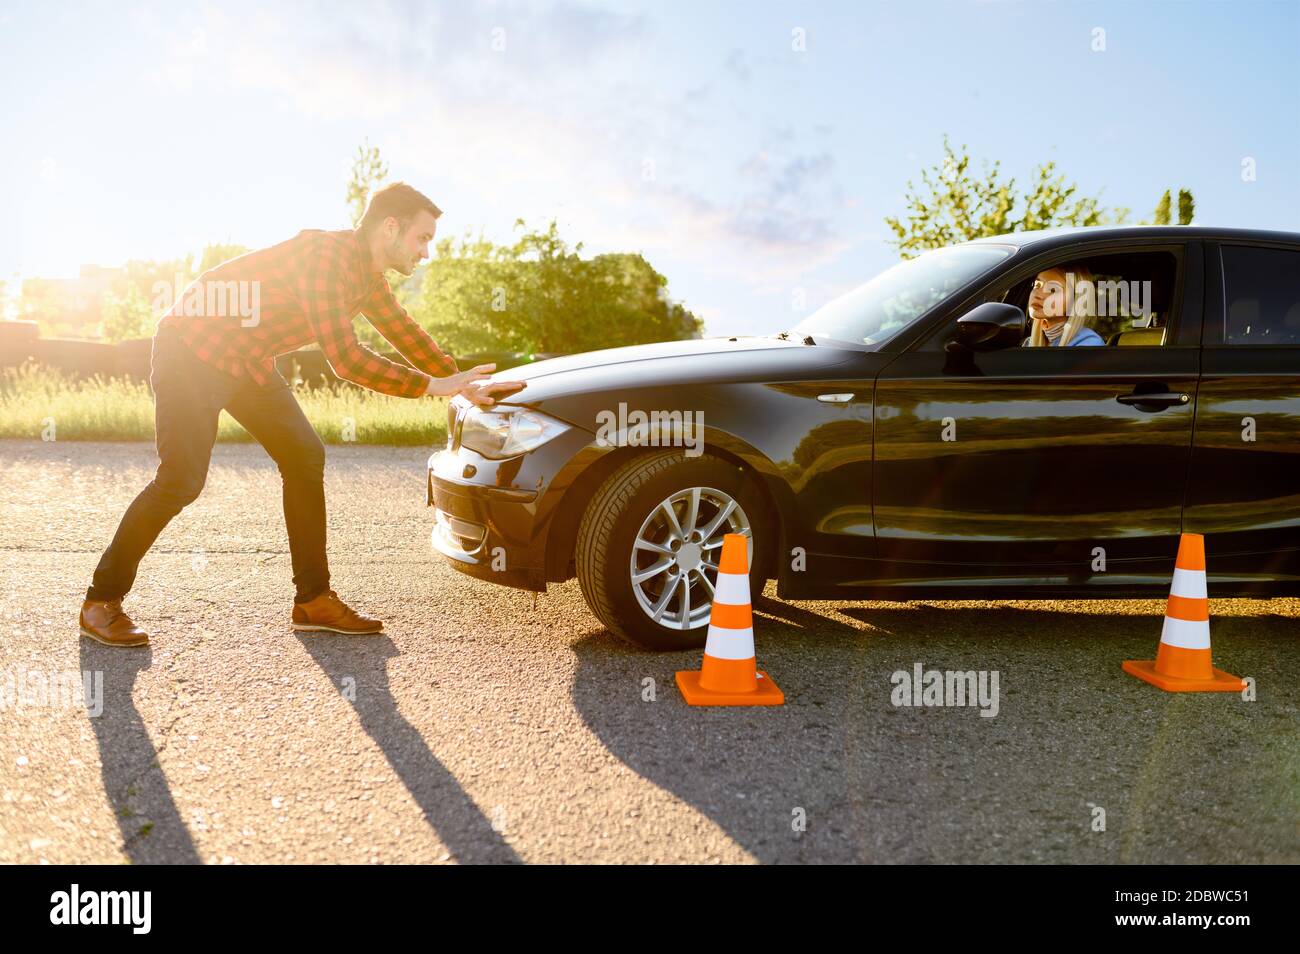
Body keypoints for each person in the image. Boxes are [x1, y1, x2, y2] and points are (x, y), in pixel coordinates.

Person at [78, 182, 524, 647]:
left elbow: (404, 332)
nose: (426, 252)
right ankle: (100, 601)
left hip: (246, 360)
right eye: (422, 237)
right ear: (390, 228)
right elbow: (346, 359)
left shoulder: (369, 277)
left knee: (304, 456)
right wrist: (435, 387)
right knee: (181, 480)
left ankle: (312, 600)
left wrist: (461, 380)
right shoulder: (324, 259)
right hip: (192, 350)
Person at [1022, 265, 1105, 347]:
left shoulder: (1089, 344)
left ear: (1076, 299)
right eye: (1037, 285)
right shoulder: (1029, 344)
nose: (1037, 295)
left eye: (1052, 290)